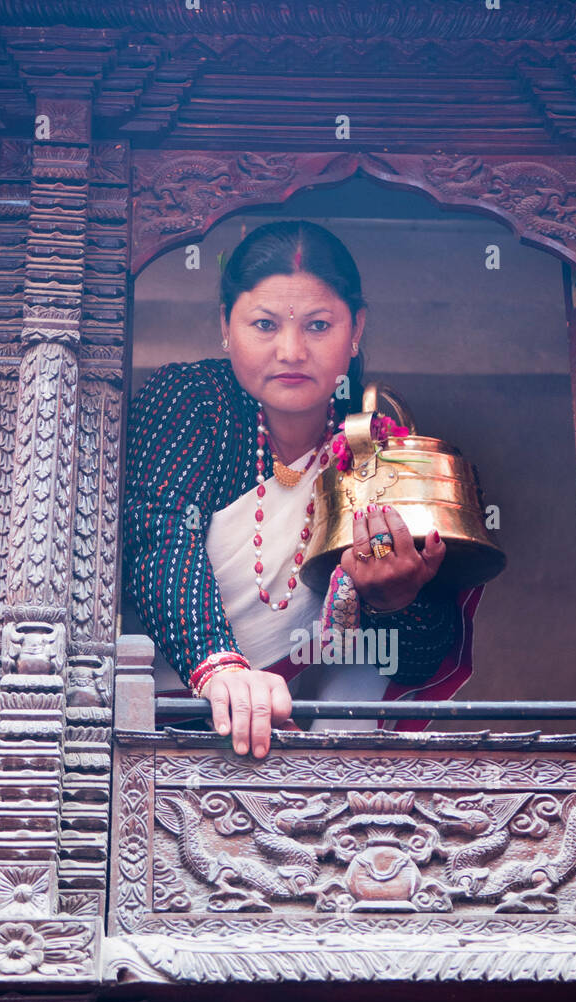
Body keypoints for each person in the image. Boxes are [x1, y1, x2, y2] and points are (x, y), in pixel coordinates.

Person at [123, 219, 480, 758]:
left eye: (317, 326)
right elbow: (160, 538)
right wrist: (218, 667)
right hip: (168, 715)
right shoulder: (195, 402)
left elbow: (422, 651)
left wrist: (392, 599)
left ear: (355, 328)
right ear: (225, 324)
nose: (290, 350)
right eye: (264, 324)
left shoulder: (377, 450)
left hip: (300, 740)